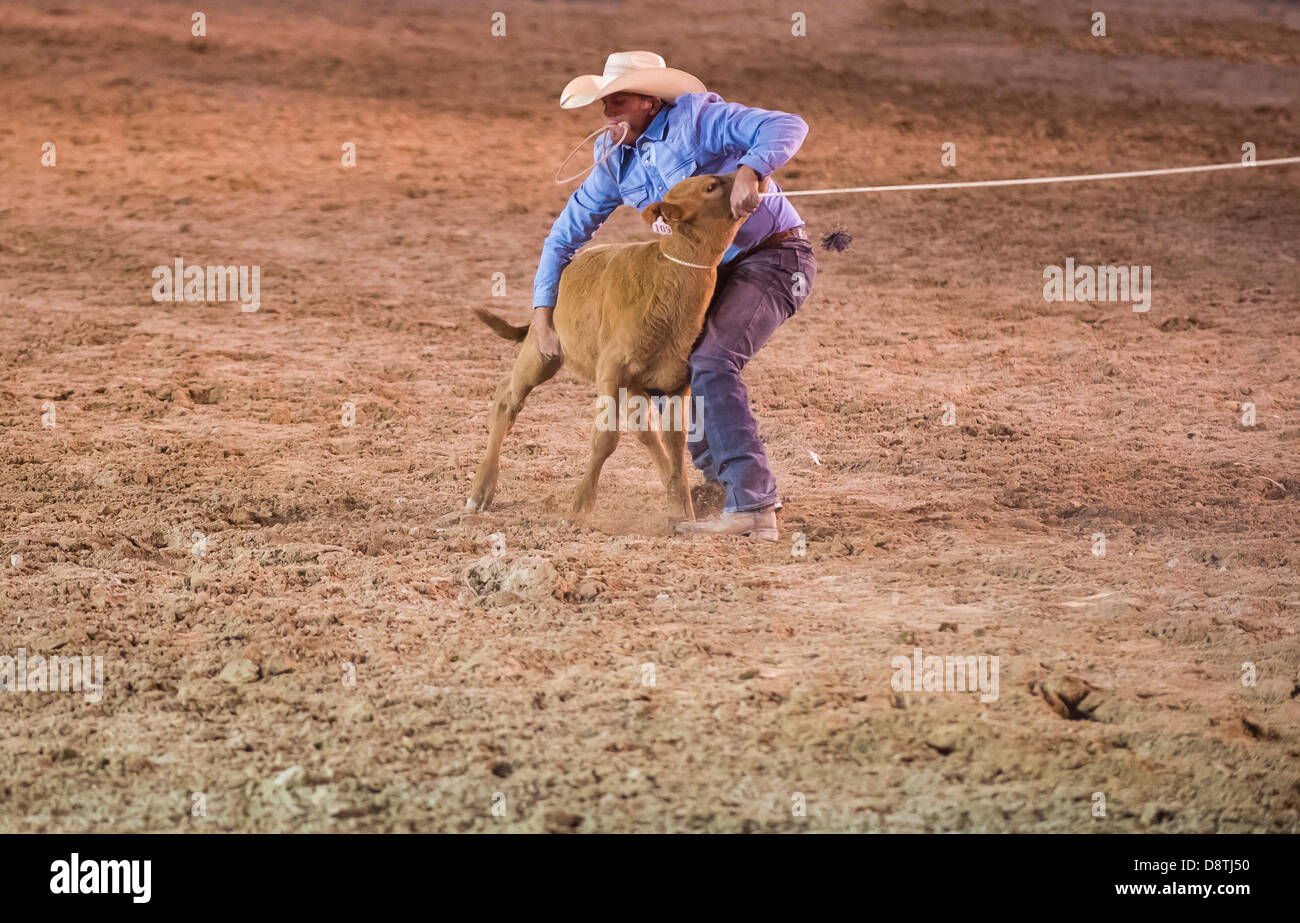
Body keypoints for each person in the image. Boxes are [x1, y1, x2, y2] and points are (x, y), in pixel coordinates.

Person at [532, 51, 817, 541]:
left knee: (709, 362)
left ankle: (753, 504)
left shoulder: (699, 119)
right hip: (704, 274)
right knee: (672, 372)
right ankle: (721, 490)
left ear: (649, 99)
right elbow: (564, 237)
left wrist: (750, 170)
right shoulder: (616, 163)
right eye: (603, 104)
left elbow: (786, 125)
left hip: (775, 257)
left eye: (616, 101)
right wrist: (543, 314)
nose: (606, 114)